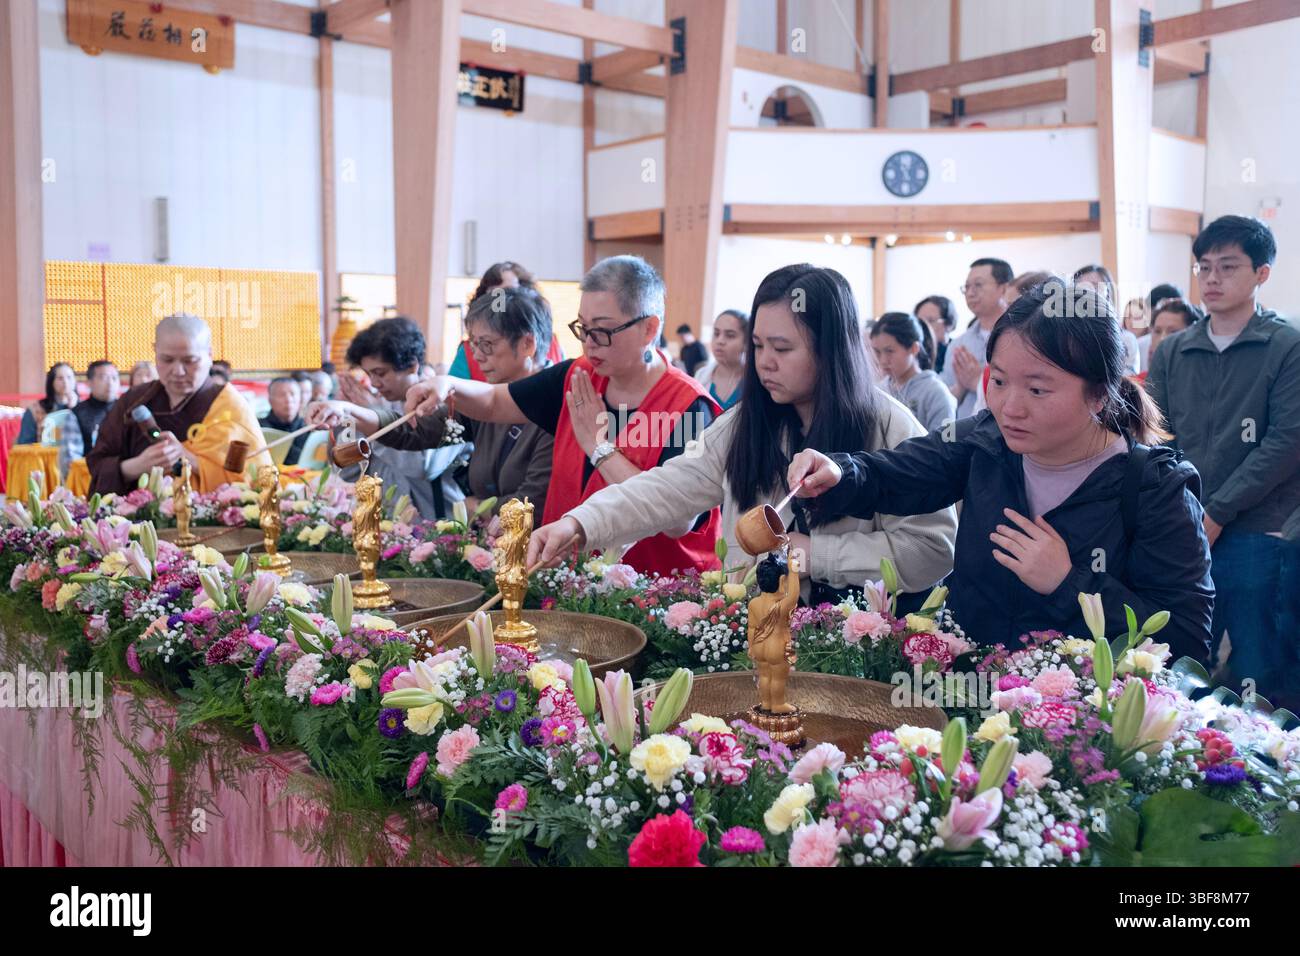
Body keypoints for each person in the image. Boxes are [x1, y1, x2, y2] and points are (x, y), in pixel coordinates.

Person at [789, 280, 1214, 661]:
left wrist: (1069, 584)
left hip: (1077, 729)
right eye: (999, 381)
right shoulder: (986, 442)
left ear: (1100, 395)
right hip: (971, 696)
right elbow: (896, 474)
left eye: (1037, 389)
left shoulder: (1155, 490)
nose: (1010, 407)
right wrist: (839, 471)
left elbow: (1185, 640)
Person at [527, 264, 957, 604]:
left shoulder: (891, 427)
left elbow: (932, 549)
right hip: (751, 636)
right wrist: (579, 523)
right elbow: (665, 488)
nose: (765, 362)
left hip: (852, 657)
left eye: (782, 348)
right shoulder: (743, 423)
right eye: (758, 345)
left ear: (831, 349)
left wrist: (813, 555)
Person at [408, 255, 722, 576]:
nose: (588, 344)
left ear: (648, 328)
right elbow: (493, 401)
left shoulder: (689, 406)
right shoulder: (577, 376)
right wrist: (447, 385)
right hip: (571, 581)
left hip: (658, 592)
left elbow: (677, 519)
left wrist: (599, 448)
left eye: (601, 332)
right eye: (583, 329)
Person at [1146, 215, 1300, 705]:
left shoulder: (1286, 344)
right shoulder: (1174, 349)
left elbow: (1287, 441)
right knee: (1179, 662)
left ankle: (1268, 776)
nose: (1211, 279)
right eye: (1204, 267)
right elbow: (1156, 435)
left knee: (1260, 668)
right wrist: (1185, 507)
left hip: (1258, 526)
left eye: (1227, 267)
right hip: (1183, 524)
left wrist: (1218, 510)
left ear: (1262, 273)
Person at [309, 287, 556, 517]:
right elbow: (404, 436)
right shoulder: (480, 397)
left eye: (487, 344)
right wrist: (350, 412)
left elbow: (422, 465)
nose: (477, 355)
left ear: (527, 344)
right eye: (474, 344)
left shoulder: (550, 404)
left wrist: (478, 508)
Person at [87, 314, 271, 495]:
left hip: (209, 522)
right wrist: (138, 466)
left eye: (189, 361)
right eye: (167, 360)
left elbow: (255, 480)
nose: (178, 371)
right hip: (139, 522)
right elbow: (97, 464)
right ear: (155, 352)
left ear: (209, 355)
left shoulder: (229, 408)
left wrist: (190, 460)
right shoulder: (134, 401)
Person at [309, 317, 452, 518]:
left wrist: (374, 418)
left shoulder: (445, 405)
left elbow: (422, 468)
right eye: (369, 374)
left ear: (412, 366)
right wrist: (348, 418)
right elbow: (349, 471)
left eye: (380, 373)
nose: (375, 383)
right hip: (384, 520)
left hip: (437, 523)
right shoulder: (379, 402)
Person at [449, 261, 562, 381]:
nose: (501, 302)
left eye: (509, 292)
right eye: (494, 296)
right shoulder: (468, 351)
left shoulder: (551, 346)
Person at [941, 257, 1013, 418]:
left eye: (978, 285)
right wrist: (961, 385)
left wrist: (979, 381)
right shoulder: (958, 344)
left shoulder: (1018, 340)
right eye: (967, 287)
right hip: (965, 434)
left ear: (1004, 288)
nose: (970, 292)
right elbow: (944, 401)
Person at [869, 312, 957, 433]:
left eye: (889, 351)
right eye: (877, 352)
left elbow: (948, 442)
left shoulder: (937, 393)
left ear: (914, 348)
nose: (883, 360)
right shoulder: (879, 390)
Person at [1073, 264, 1141, 375]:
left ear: (1108, 294)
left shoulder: (1125, 339)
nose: (1089, 294)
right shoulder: (1067, 336)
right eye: (1083, 288)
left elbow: (1128, 381)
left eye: (1095, 287)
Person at [693, 309, 748, 411]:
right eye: (716, 333)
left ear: (746, 342)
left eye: (730, 335)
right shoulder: (700, 376)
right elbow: (691, 422)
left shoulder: (755, 380)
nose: (720, 341)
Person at [1137, 298, 1201, 383]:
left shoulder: (1198, 381)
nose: (1162, 339)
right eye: (1157, 331)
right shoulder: (1136, 385)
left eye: (1173, 332)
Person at [16, 363, 78, 444]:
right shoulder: (35, 410)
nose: (65, 382)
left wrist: (75, 408)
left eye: (69, 377)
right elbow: (24, 444)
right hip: (44, 455)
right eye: (60, 378)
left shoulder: (83, 408)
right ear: (51, 382)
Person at [71, 360, 120, 455]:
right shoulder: (76, 414)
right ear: (89, 383)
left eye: (114, 378)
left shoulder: (128, 409)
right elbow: (71, 456)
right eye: (104, 378)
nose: (110, 383)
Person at [259, 377, 308, 465]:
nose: (289, 400)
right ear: (270, 400)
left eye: (292, 394)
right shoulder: (259, 428)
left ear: (300, 399)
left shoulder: (308, 428)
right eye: (281, 395)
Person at [914, 295, 958, 376]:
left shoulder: (958, 353)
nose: (923, 327)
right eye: (919, 322)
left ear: (949, 324)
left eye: (930, 320)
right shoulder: (913, 353)